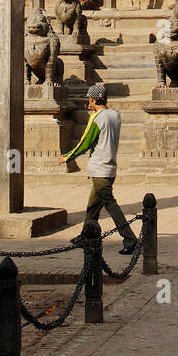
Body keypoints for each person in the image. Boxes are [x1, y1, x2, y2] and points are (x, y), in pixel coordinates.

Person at [61, 84, 138, 255]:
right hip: (110, 167)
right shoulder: (115, 115)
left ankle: (130, 239)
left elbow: (85, 142)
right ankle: (85, 236)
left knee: (110, 204)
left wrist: (67, 156)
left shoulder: (96, 118)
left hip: (99, 168)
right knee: (93, 206)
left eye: (90, 99)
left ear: (93, 99)